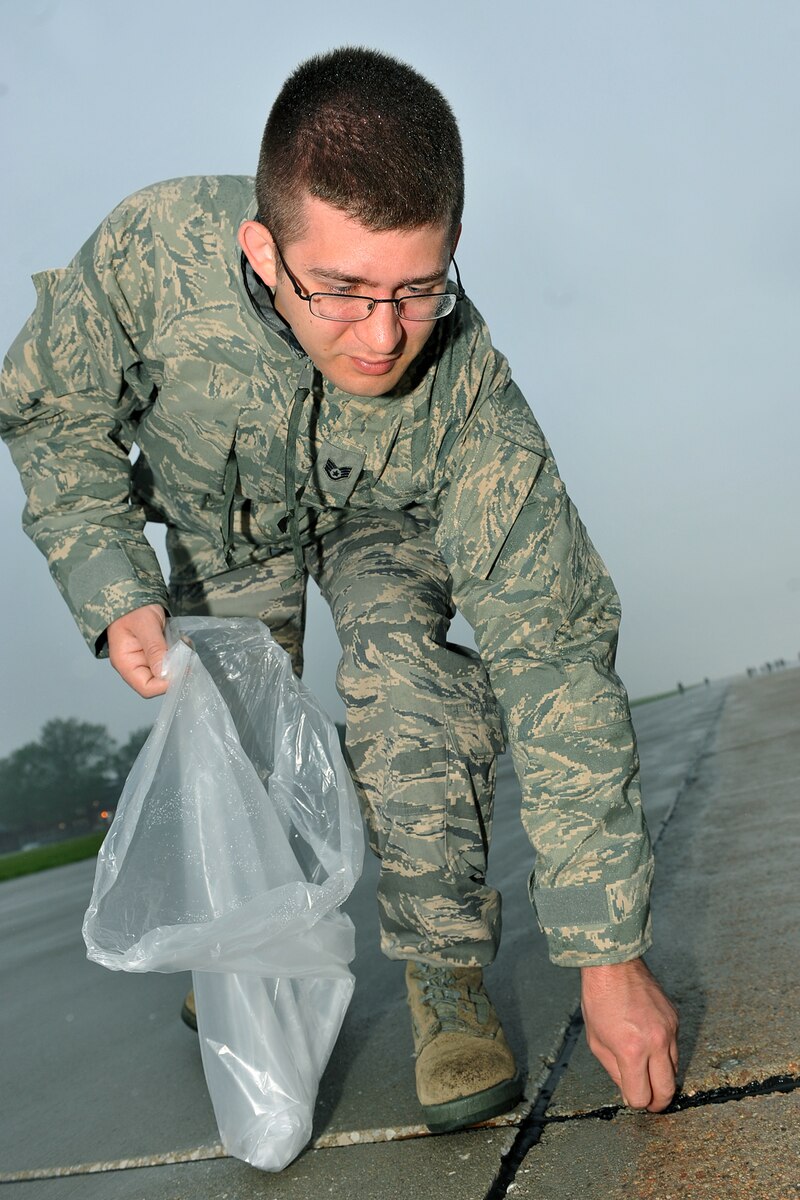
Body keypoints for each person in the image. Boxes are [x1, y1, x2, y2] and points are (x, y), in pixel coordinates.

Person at [0, 47, 678, 1131]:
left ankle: (445, 978)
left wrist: (609, 956)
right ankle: (245, 952)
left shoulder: (463, 392)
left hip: (384, 524)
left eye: (417, 288)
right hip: (227, 525)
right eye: (346, 290)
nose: (380, 338)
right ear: (261, 252)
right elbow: (51, 410)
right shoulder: (151, 259)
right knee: (234, 731)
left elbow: (551, 653)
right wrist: (111, 580)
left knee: (409, 692)